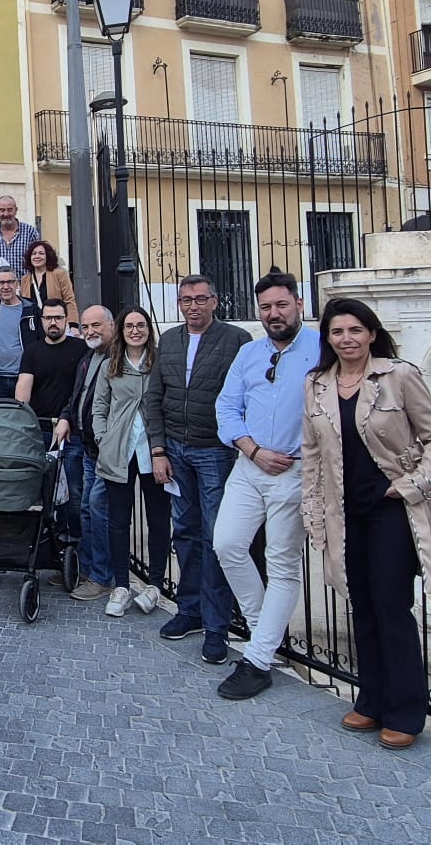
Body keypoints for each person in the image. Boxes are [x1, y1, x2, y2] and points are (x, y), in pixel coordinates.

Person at [302, 297, 431, 751]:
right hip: (343, 511)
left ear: (370, 334)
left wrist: (411, 485)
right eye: (336, 332)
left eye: (354, 330)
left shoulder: (399, 376)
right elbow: (311, 453)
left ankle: (406, 710)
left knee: (391, 607)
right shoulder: (316, 384)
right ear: (327, 338)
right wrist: (313, 513)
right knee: (361, 605)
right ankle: (370, 699)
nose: (346, 339)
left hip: (391, 508)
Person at [213, 271, 320, 701]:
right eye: (265, 308)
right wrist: (251, 448)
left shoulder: (320, 349)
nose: (273, 314)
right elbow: (226, 406)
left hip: (294, 472)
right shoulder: (249, 353)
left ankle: (257, 660)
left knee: (281, 563)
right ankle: (265, 636)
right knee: (227, 545)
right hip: (249, 464)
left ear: (297, 303)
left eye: (280, 304)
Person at [144, 274, 252, 662]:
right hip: (176, 450)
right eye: (186, 299)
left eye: (200, 299)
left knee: (215, 537)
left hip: (215, 452)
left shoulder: (237, 340)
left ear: (214, 301)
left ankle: (217, 625)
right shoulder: (169, 340)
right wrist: (159, 450)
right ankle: (189, 610)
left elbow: (247, 395)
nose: (193, 306)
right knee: (185, 532)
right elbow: (153, 398)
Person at [90, 307, 171, 617]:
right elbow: (100, 406)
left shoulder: (160, 362)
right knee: (118, 520)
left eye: (140, 325)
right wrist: (102, 438)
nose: (135, 330)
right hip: (119, 451)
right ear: (121, 331)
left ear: (148, 329)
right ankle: (121, 585)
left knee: (159, 519)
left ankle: (154, 585)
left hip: (154, 451)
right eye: (129, 326)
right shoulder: (111, 365)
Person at [14, 300, 88, 544]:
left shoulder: (81, 348)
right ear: (42, 320)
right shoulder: (33, 351)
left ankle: (75, 540)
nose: (53, 322)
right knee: (45, 491)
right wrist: (24, 425)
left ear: (67, 319)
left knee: (74, 491)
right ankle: (53, 538)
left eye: (58, 317)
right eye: (48, 318)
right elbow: (23, 390)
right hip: (40, 430)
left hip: (72, 432)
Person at [54, 305, 115, 600]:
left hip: (106, 450)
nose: (90, 331)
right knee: (87, 509)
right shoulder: (88, 357)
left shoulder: (117, 358)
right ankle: (88, 571)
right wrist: (66, 416)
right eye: (86, 326)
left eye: (96, 325)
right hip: (87, 445)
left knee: (98, 510)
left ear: (111, 325)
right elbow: (76, 396)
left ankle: (102, 576)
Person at [0, 268, 41, 401]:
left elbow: (41, 342)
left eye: (10, 282)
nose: (6, 287)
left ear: (17, 284)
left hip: (24, 377)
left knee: (23, 418)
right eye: (1, 283)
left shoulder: (31, 310)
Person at [0, 196, 41, 276]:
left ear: (16, 210)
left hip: (25, 286)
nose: (6, 214)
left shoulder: (30, 232)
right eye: (2, 210)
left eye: (10, 210)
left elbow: (39, 260)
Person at [23, 241, 77, 317]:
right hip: (34, 323)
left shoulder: (60, 274)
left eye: (41, 253)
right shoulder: (25, 279)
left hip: (55, 320)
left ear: (48, 256)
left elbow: (69, 300)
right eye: (34, 253)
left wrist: (73, 324)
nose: (37, 256)